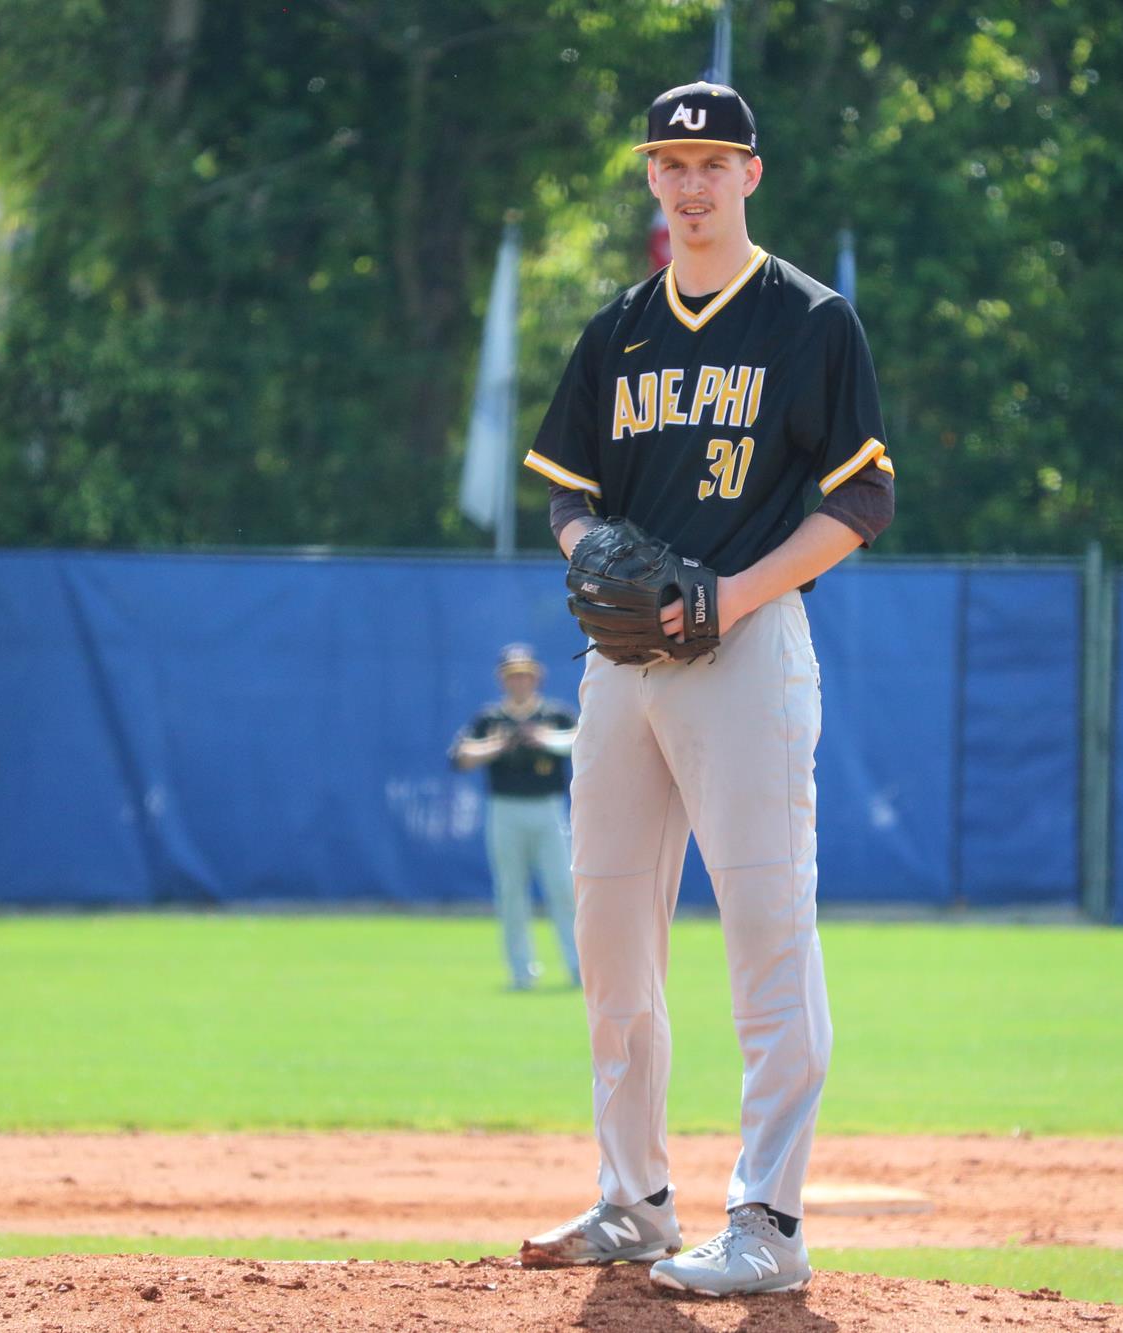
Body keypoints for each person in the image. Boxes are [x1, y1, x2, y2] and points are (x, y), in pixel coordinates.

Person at [514, 81, 895, 1297]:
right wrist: (597, 559)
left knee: (767, 942)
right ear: (650, 178)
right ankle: (631, 1200)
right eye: (670, 162)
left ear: (749, 176)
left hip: (747, 653)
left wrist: (726, 596)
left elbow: (861, 502)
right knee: (610, 939)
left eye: (711, 162)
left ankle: (768, 1224)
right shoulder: (618, 330)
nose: (688, 182)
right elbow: (568, 495)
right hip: (624, 667)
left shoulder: (807, 321)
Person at [449, 643, 581, 990]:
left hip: (548, 808)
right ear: (502, 680)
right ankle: (522, 971)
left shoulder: (554, 715)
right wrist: (501, 744)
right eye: (513, 676)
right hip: (505, 809)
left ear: (536, 677)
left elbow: (583, 741)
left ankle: (579, 967)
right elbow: (461, 756)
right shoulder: (491, 719)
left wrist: (542, 739)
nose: (520, 682)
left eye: (525, 675)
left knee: (563, 889)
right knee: (511, 892)